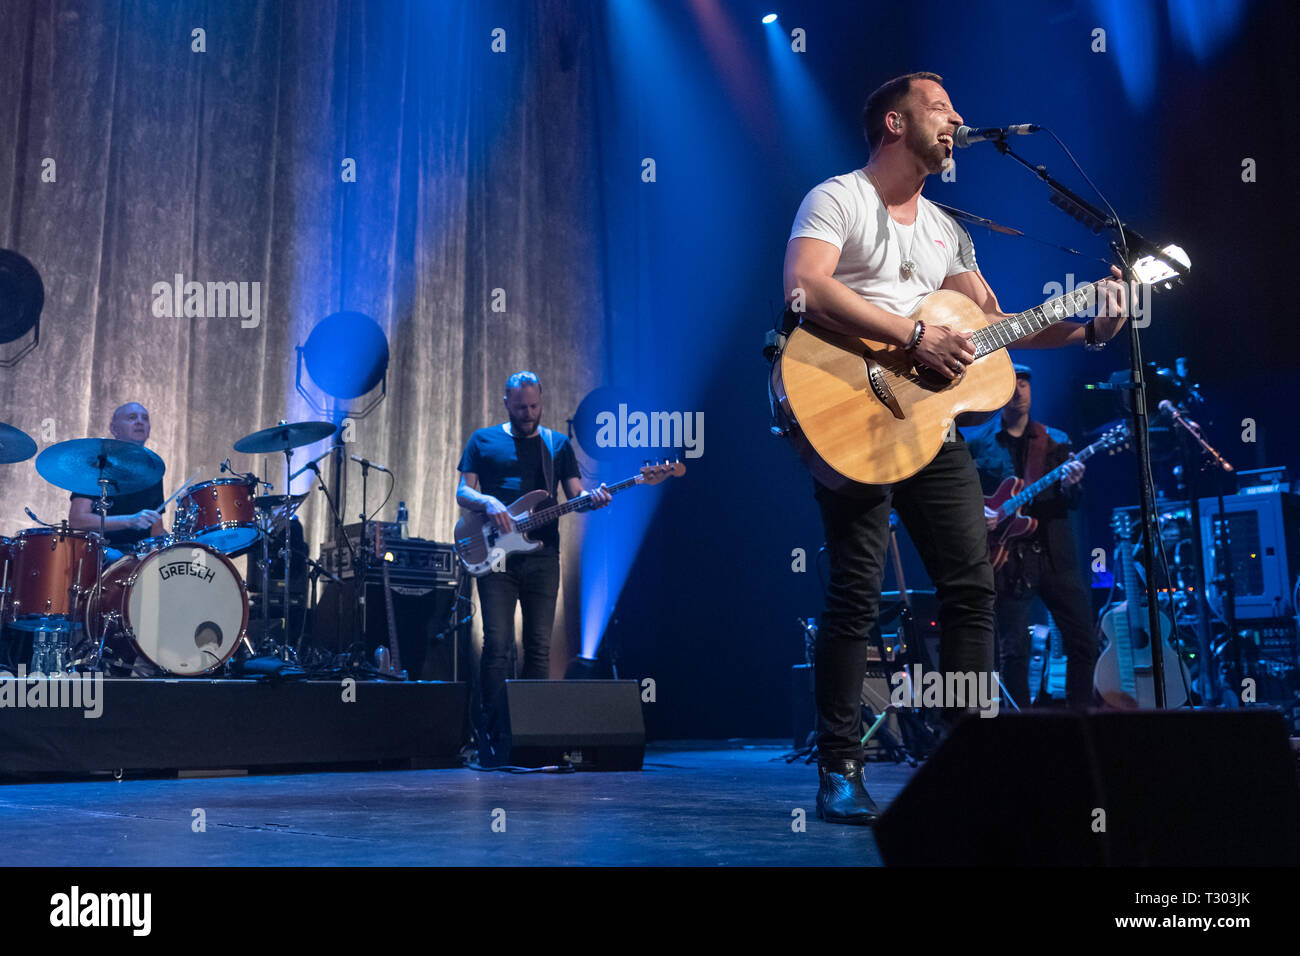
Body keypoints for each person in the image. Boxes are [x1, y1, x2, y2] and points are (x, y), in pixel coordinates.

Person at [782, 72, 1130, 824]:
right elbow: (804, 287)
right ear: (894, 122)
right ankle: (840, 765)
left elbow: (997, 325)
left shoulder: (949, 230)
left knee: (971, 586)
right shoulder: (839, 198)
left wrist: (1092, 328)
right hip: (848, 407)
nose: (958, 119)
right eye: (940, 108)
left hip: (930, 427)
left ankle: (965, 754)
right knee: (856, 594)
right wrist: (910, 333)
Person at [456, 371, 611, 752]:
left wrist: (595, 497)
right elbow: (463, 491)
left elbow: (576, 494)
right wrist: (488, 502)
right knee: (497, 644)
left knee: (538, 646)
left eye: (534, 406)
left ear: (542, 400)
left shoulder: (556, 446)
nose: (528, 414)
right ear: (506, 402)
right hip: (494, 554)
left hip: (542, 556)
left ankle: (529, 733)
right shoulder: (483, 440)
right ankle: (491, 736)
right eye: (521, 407)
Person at [968, 364, 1097, 710]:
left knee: (1083, 641)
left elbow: (1074, 501)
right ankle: (1020, 728)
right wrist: (980, 514)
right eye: (1013, 384)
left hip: (1056, 555)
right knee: (1014, 651)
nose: (1020, 391)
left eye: (1025, 384)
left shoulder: (1056, 440)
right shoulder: (977, 442)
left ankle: (1081, 720)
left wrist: (1072, 484)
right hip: (1008, 558)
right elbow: (962, 493)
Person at [67, 402, 165, 559]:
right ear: (114, 429)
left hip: (141, 559)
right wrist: (130, 521)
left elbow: (156, 530)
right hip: (103, 554)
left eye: (145, 418)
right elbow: (77, 520)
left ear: (149, 431)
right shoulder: (98, 466)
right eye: (132, 417)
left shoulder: (153, 470)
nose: (140, 421)